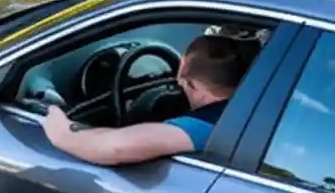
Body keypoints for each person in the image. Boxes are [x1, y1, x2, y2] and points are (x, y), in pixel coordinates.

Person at [42, 34, 253, 166]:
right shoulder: (260, 106)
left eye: (181, 81)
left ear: (195, 86)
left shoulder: (207, 125)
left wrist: (63, 133)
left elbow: (117, 148)